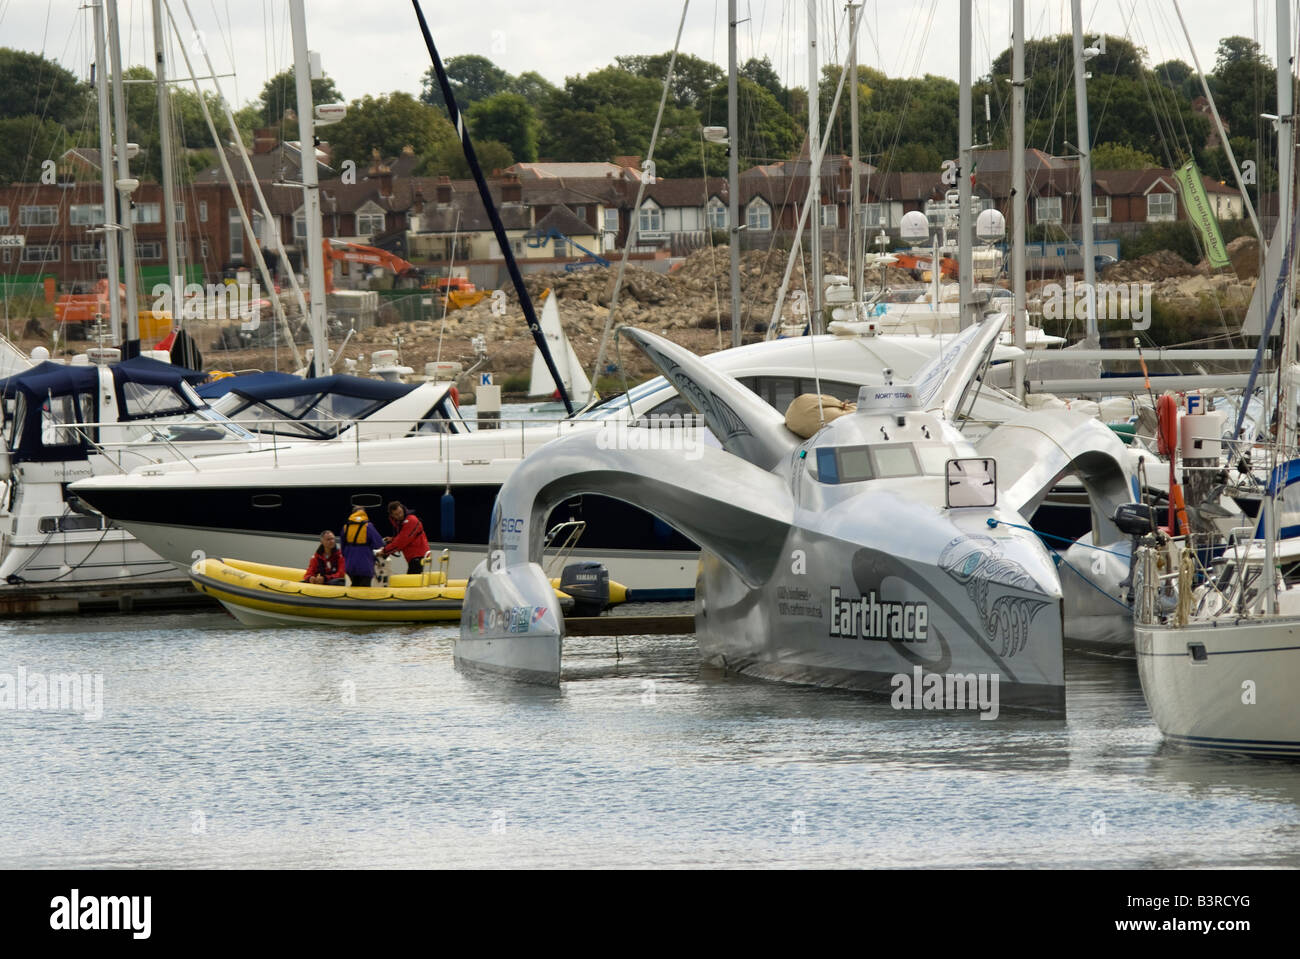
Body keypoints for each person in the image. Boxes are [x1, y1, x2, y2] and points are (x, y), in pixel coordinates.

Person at [382, 500, 430, 575]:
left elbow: (401, 542)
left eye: (400, 512)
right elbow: (406, 538)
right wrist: (393, 539)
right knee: (413, 579)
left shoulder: (411, 521)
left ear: (402, 508)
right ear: (392, 516)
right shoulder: (401, 523)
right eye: (396, 514)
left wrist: (384, 551)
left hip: (417, 555)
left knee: (412, 581)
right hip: (414, 556)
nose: (399, 515)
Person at [340, 507, 384, 587]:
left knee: (354, 587)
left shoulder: (346, 527)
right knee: (364, 592)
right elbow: (378, 543)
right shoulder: (368, 526)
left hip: (350, 565)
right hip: (365, 565)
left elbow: (342, 549)